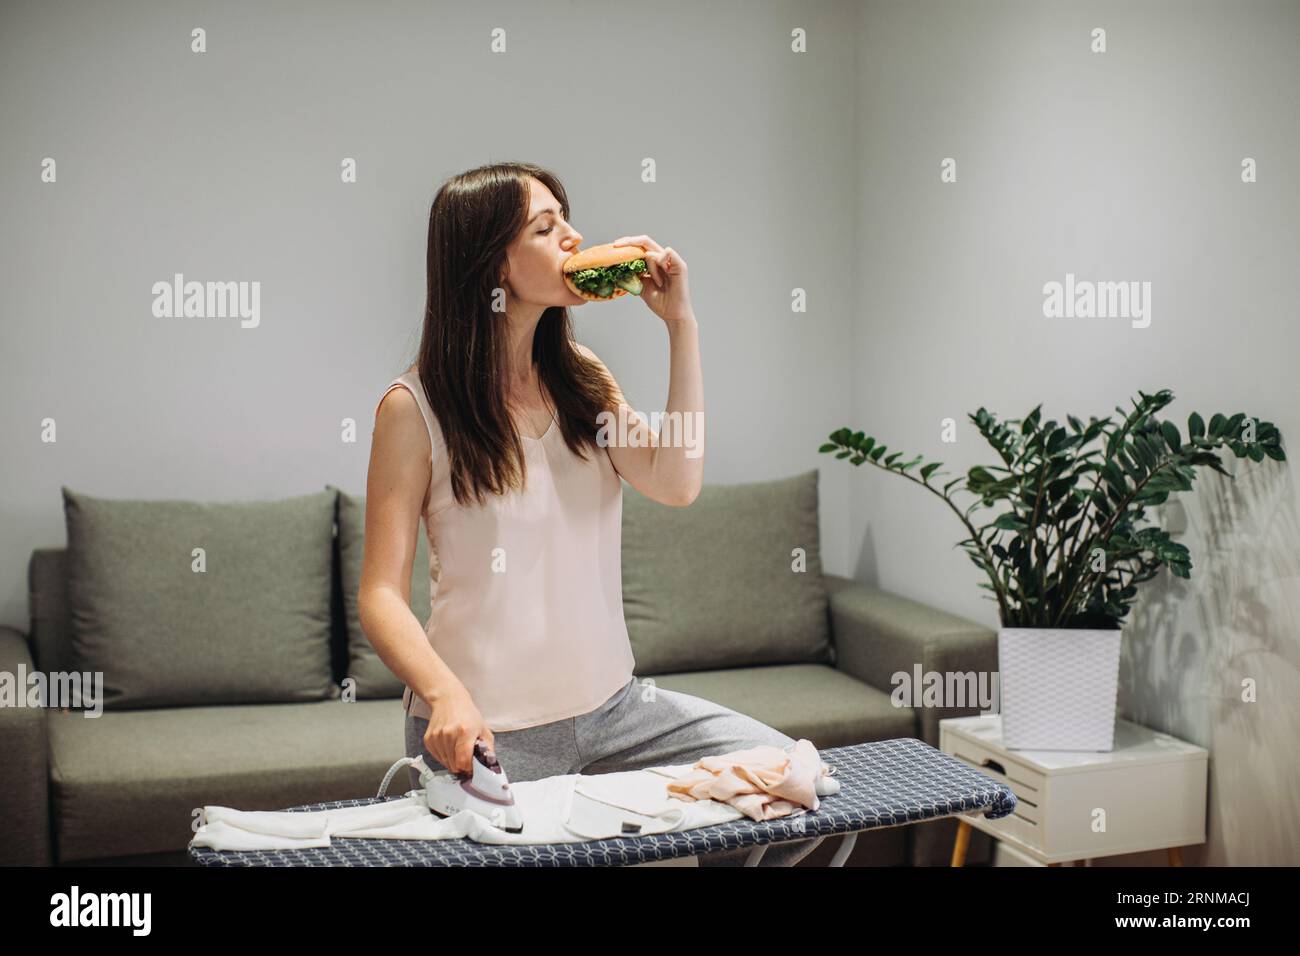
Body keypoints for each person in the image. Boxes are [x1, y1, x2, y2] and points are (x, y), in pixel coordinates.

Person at [358, 161, 825, 867]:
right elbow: (380, 594)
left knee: (795, 792)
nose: (574, 238)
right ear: (493, 264)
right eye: (546, 229)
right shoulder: (414, 409)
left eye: (566, 219)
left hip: (618, 713)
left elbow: (677, 480)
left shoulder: (583, 378)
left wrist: (681, 326)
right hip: (490, 732)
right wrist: (446, 695)